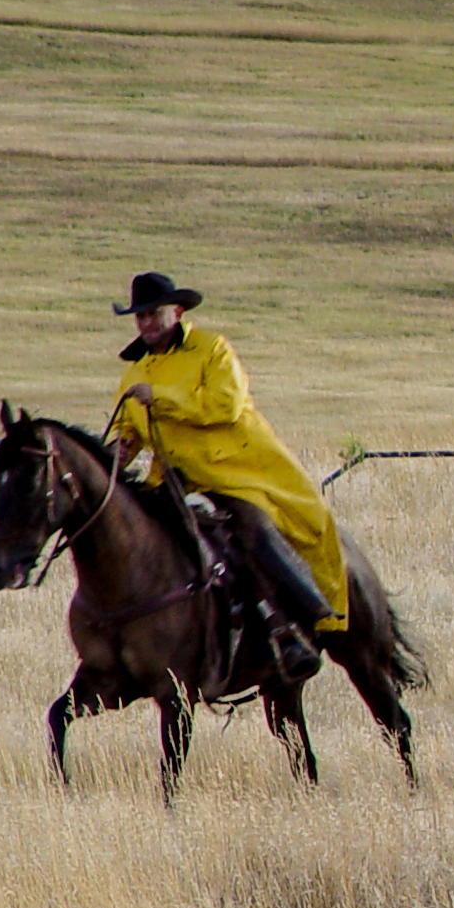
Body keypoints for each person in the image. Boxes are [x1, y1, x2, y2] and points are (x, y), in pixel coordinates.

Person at [110, 272, 344, 683]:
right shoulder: (134, 374)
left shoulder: (212, 349)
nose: (145, 324)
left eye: (153, 314)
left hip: (233, 473)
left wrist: (160, 397)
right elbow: (128, 438)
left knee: (251, 530)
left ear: (177, 312)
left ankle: (296, 623)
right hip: (174, 483)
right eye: (140, 317)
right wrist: (115, 454)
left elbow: (225, 405)